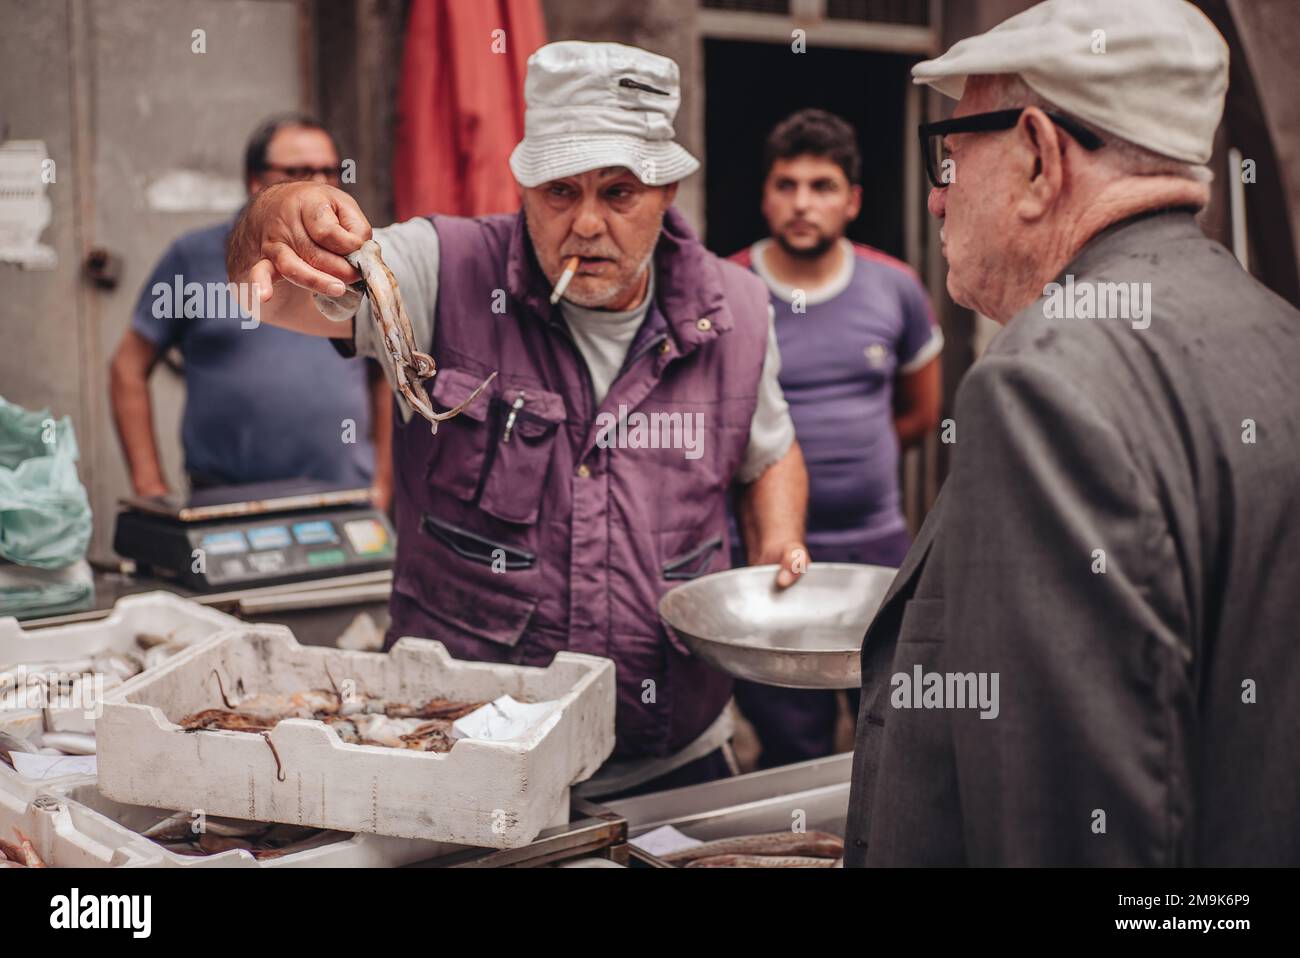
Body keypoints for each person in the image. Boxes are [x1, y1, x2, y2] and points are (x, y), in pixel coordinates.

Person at [225, 42, 810, 797]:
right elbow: (268, 295)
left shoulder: (737, 309)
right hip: (461, 756)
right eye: (560, 192)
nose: (588, 225)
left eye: (620, 193)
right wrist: (273, 215)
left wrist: (780, 537)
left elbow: (771, 453)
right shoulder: (445, 269)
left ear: (667, 193)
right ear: (525, 184)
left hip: (673, 756)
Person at [845, 0, 1300, 866]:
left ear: (1040, 159)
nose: (939, 196)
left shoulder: (1044, 387)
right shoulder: (1282, 335)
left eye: (951, 153)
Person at [729, 109, 942, 769]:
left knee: (890, 723)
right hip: (771, 556)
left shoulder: (896, 288)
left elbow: (920, 411)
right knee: (792, 739)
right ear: (764, 197)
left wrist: (854, 463)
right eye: (786, 185)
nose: (802, 202)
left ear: (851, 201)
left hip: (877, 546)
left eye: (821, 186)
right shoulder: (728, 291)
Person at [109, 113, 392, 506]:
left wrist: (384, 483)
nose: (319, 185)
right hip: (226, 506)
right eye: (298, 172)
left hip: (345, 501)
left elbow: (385, 375)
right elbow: (128, 368)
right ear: (254, 180)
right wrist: (150, 488)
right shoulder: (193, 257)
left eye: (329, 171)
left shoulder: (360, 263)